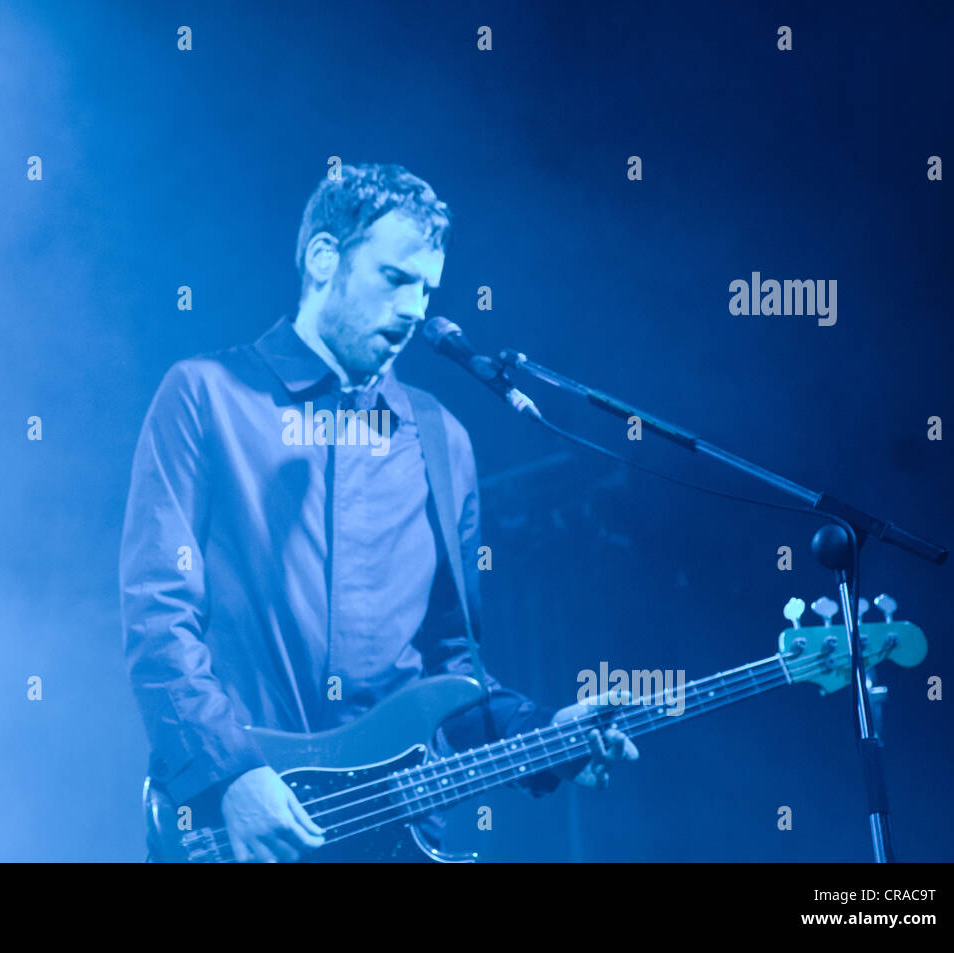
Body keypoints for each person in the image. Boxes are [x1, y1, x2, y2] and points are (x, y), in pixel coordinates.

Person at [120, 162, 637, 862]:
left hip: (396, 843)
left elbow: (452, 666)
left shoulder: (440, 438)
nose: (416, 309)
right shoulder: (204, 396)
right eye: (396, 278)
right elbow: (157, 614)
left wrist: (544, 732)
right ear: (323, 259)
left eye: (427, 288)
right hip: (234, 827)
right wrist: (230, 773)